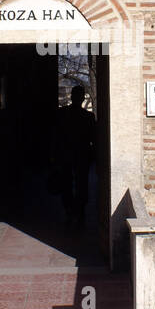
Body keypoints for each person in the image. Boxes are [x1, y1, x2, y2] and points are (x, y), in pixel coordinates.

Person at [53, 84, 95, 227]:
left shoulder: (62, 114)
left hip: (67, 154)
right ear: (83, 98)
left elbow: (55, 136)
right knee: (80, 184)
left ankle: (70, 210)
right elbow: (93, 139)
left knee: (68, 184)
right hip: (81, 155)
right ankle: (79, 211)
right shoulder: (88, 117)